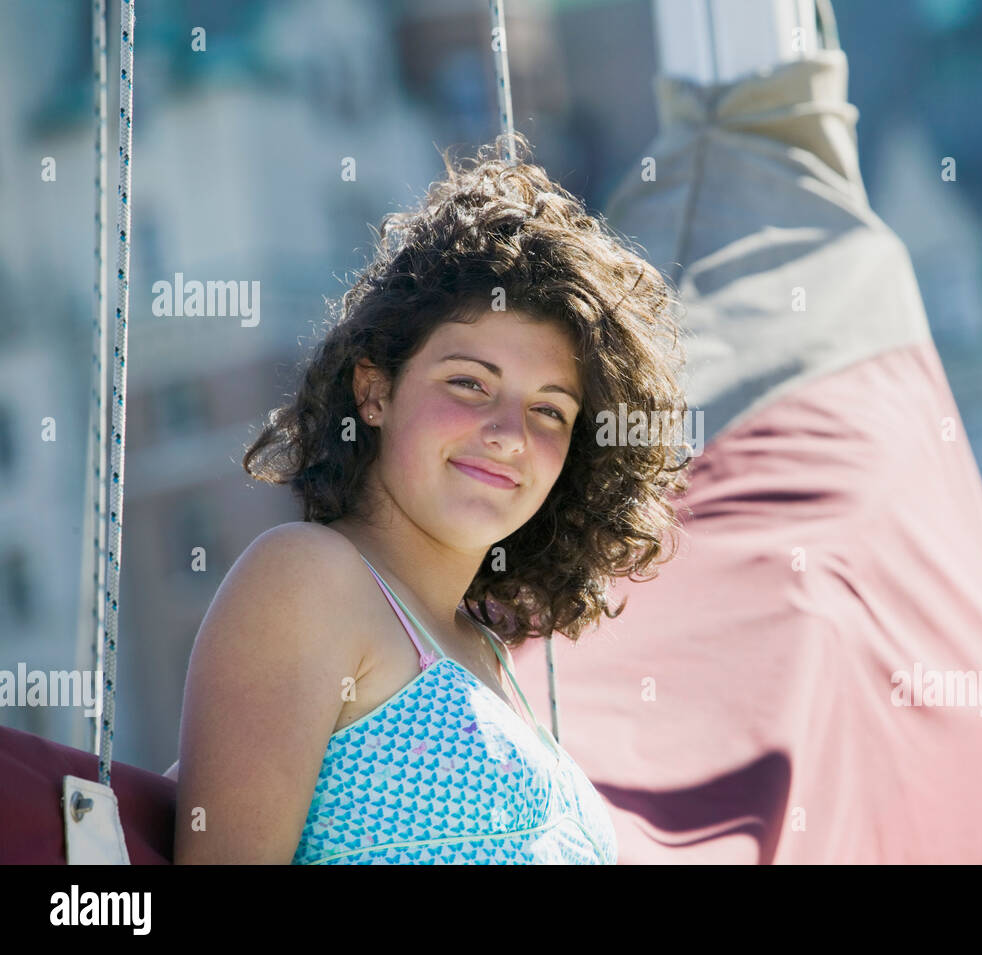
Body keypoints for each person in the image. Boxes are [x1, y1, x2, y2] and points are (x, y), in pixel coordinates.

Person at [170, 132, 692, 864]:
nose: (509, 434)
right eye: (469, 384)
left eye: (549, 410)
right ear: (374, 389)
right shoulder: (308, 578)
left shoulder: (487, 650)